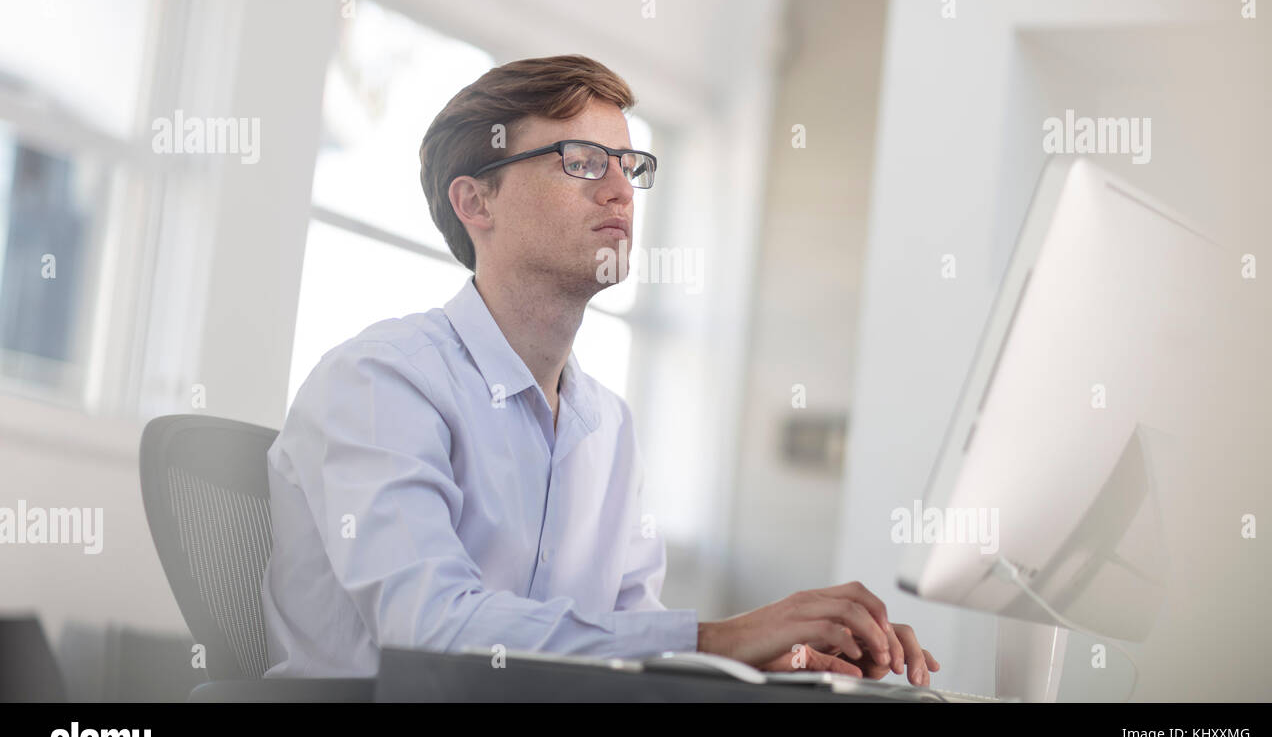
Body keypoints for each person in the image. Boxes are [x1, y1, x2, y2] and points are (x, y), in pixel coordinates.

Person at [261, 54, 940, 685]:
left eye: (629, 163)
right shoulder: (380, 381)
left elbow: (629, 649)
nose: (620, 190)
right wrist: (719, 638)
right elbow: (432, 630)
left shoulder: (608, 426)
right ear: (476, 203)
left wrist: (770, 664)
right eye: (583, 161)